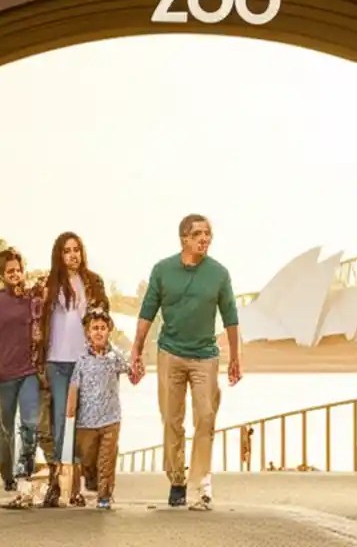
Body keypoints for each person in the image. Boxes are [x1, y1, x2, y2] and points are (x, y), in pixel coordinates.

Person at [131, 213, 242, 511]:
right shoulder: (163, 270)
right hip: (170, 353)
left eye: (208, 234)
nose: (204, 238)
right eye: (198, 234)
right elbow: (147, 312)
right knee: (171, 418)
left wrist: (235, 358)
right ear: (184, 238)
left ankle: (202, 483)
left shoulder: (219, 273)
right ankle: (177, 479)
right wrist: (136, 351)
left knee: (206, 417)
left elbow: (231, 317)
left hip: (205, 355)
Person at [37, 231, 111, 508]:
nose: (72, 255)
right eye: (67, 250)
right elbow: (36, 319)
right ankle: (58, 484)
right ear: (59, 254)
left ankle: (79, 486)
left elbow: (104, 315)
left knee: (82, 427)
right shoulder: (49, 283)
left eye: (76, 249)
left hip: (85, 363)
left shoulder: (93, 282)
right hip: (57, 362)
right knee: (59, 424)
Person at [0, 247, 43, 507]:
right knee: (6, 430)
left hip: (28, 372)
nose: (15, 274)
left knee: (29, 424)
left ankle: (23, 472)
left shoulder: (33, 300)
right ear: (1, 274)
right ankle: (8, 477)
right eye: (10, 271)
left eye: (18, 269)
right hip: (1, 377)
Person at [66, 308, 140, 510]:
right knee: (88, 461)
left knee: (107, 460)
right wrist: (70, 412)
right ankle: (92, 483)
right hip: (86, 421)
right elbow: (74, 386)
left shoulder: (115, 357)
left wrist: (137, 368)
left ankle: (105, 496)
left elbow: (133, 376)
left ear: (109, 331)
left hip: (110, 418)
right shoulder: (82, 359)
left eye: (103, 328)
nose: (99, 332)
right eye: (95, 328)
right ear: (88, 333)